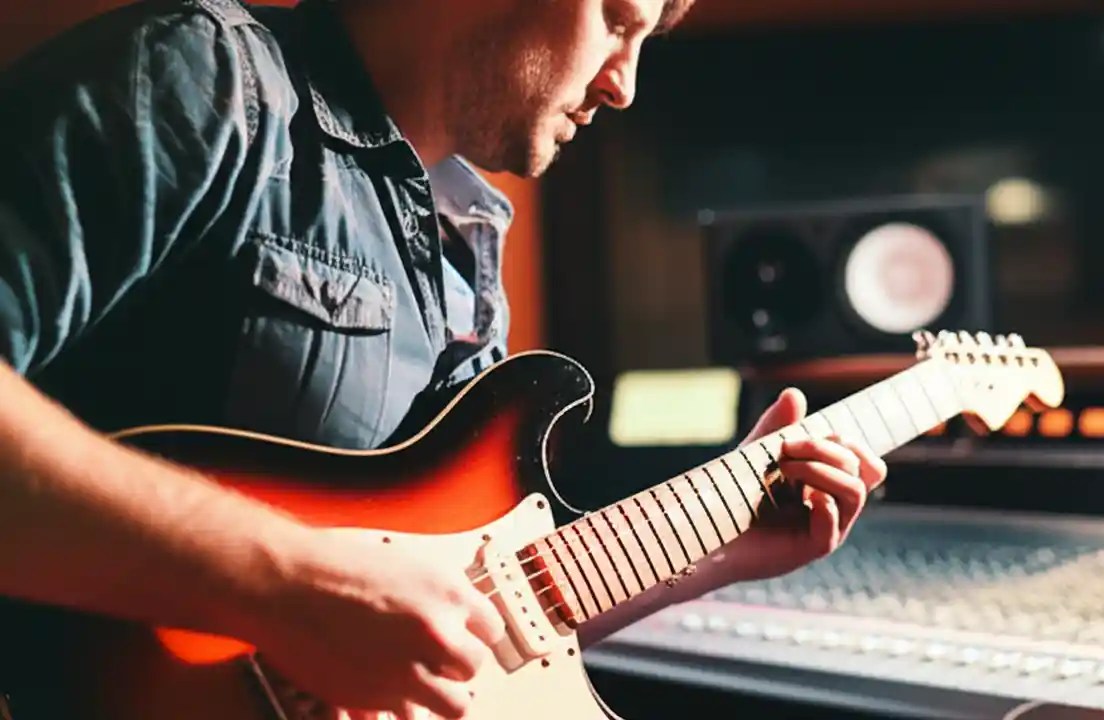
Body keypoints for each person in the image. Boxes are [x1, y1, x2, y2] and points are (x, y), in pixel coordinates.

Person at [0, 0, 887, 718]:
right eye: (619, 21)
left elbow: (486, 602)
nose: (623, 84)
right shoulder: (199, 80)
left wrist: (727, 550)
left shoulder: (463, 248)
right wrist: (285, 584)